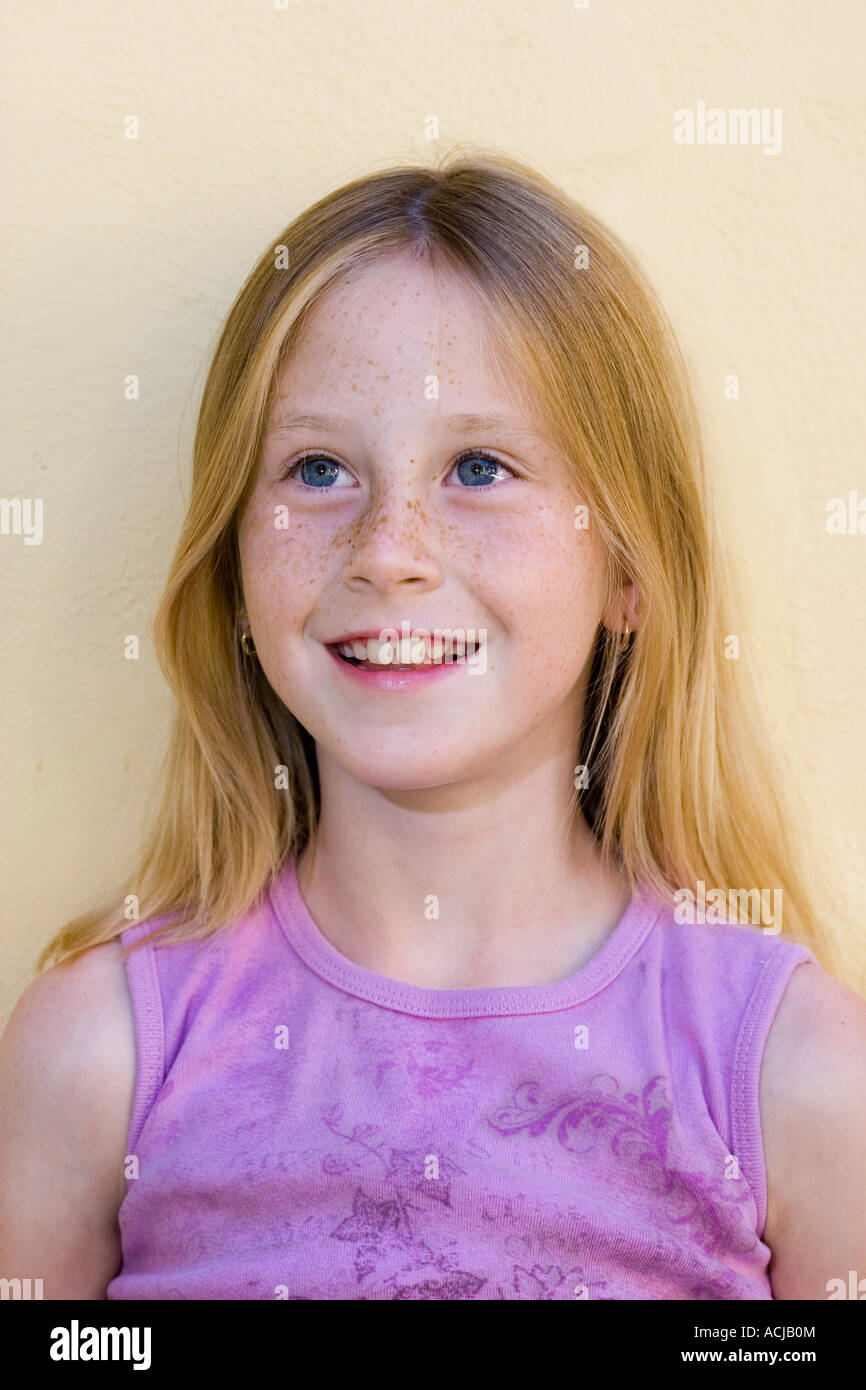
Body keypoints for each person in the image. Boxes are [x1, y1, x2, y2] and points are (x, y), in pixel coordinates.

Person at [2, 151, 864, 1300]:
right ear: (234, 566)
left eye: (477, 467)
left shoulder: (789, 1076)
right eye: (316, 469)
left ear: (628, 570)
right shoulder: (92, 1057)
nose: (388, 552)